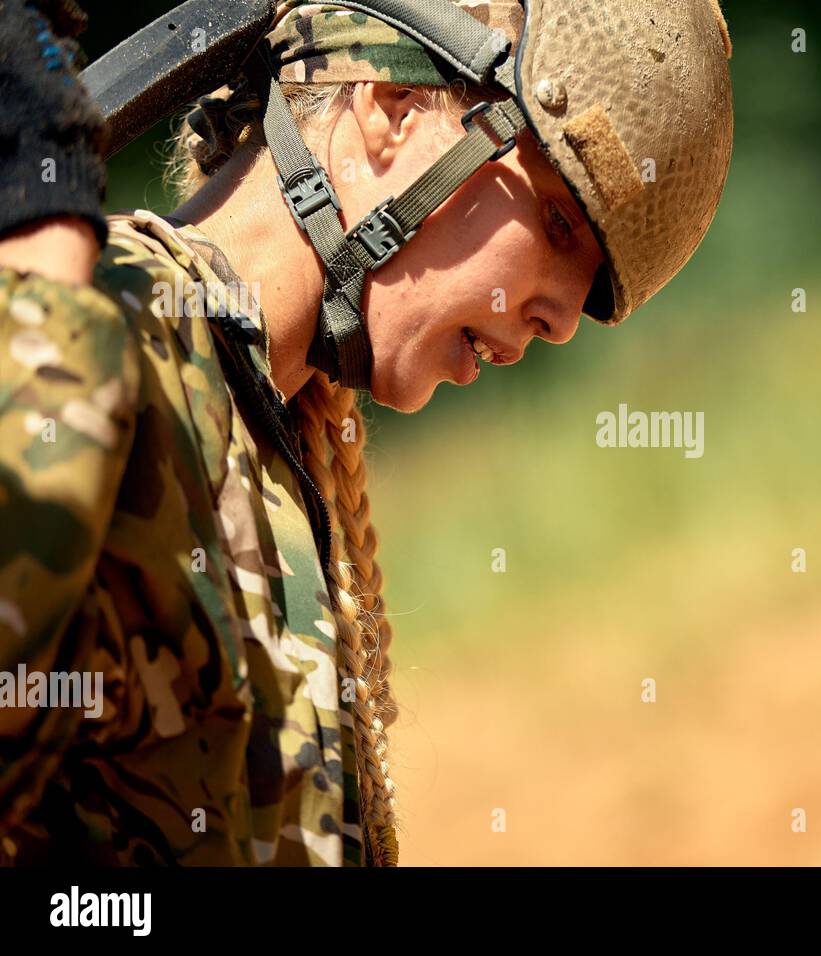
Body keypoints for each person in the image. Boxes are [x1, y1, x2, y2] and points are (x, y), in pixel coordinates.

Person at [0, 0, 733, 866]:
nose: (564, 320)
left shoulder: (268, 435)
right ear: (392, 108)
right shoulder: (107, 338)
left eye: (591, 285)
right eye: (557, 222)